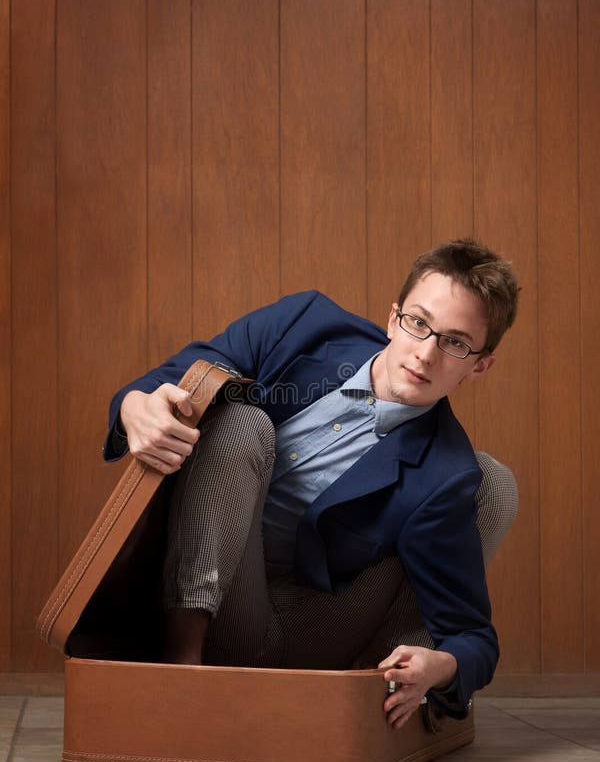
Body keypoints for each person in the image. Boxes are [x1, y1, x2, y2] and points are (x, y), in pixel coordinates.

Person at [104, 238, 519, 729]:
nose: (425, 354)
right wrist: (134, 405)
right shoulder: (303, 324)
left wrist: (443, 666)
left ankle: (384, 696)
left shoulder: (445, 472)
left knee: (487, 481)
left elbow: (471, 634)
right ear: (393, 319)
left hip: (300, 629)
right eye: (418, 323)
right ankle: (181, 668)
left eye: (455, 343)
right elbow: (178, 376)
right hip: (192, 593)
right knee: (240, 420)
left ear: (479, 365)